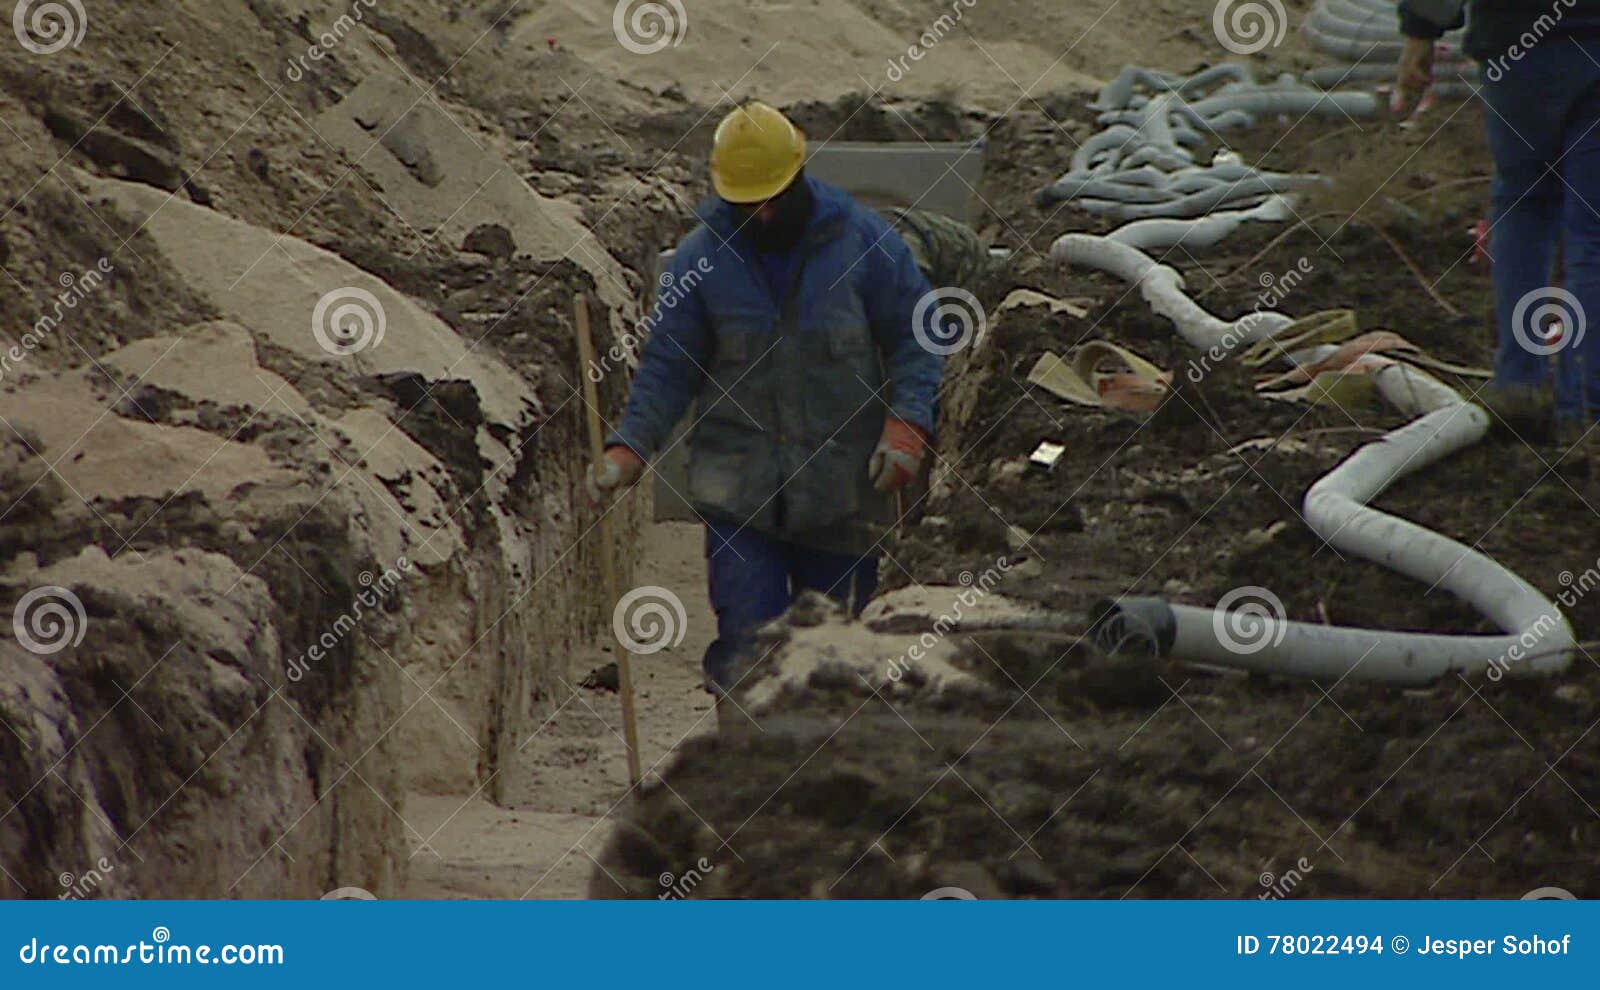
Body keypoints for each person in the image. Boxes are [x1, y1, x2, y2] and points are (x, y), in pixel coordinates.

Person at [586, 101, 945, 695]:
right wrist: (630, 444)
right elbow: (670, 367)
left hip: (842, 489)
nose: (765, 213)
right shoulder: (701, 262)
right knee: (747, 648)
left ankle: (820, 779)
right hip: (740, 491)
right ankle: (746, 773)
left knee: (831, 656)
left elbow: (915, 336)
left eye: (775, 197)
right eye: (749, 203)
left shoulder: (866, 244)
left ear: (801, 175)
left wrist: (908, 423)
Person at [1395, 0, 1600, 425]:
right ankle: (1583, 403)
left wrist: (1421, 32)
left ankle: (1519, 384)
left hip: (1518, 48)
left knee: (1524, 205)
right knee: (1592, 231)